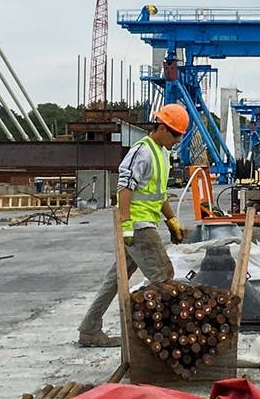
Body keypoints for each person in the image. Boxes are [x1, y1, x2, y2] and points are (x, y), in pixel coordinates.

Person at [78, 105, 190, 346]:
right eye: (175, 135)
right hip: (138, 226)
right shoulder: (143, 151)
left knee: (116, 279)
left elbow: (159, 195)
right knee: (163, 277)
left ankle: (89, 329)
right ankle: (160, 335)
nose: (177, 140)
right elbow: (124, 188)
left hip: (145, 223)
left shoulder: (163, 153)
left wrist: (172, 221)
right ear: (161, 128)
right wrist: (126, 224)